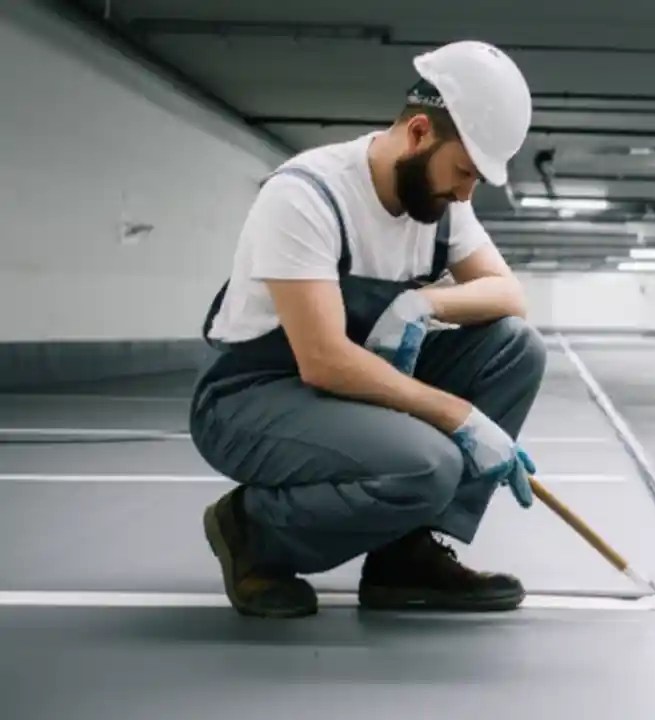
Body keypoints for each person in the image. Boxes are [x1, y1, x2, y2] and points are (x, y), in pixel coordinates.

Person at [189, 40, 546, 620]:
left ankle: (403, 556)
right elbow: (325, 360)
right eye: (462, 172)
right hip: (255, 396)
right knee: (430, 462)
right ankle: (252, 533)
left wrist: (422, 304)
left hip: (352, 388)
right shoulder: (307, 195)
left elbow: (510, 296)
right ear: (419, 133)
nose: (464, 192)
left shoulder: (442, 205)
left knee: (515, 350)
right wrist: (459, 416)